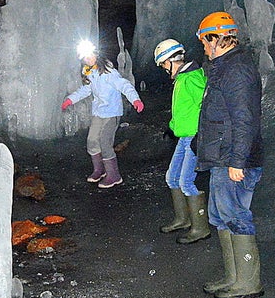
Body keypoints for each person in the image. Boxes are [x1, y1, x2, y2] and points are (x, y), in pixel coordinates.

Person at [191, 11, 264, 298]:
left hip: (233, 159)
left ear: (217, 39)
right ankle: (234, 277)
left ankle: (248, 282)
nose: (204, 48)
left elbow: (244, 119)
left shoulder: (237, 70)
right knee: (221, 216)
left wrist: (237, 161)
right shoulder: (223, 67)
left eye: (205, 42)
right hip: (222, 156)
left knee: (235, 216)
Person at [62, 39, 143, 188]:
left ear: (97, 55)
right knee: (92, 140)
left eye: (90, 56)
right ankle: (99, 170)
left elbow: (125, 86)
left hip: (112, 113)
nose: (88, 59)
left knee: (105, 142)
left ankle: (114, 175)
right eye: (85, 57)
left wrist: (135, 100)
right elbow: (86, 90)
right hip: (98, 112)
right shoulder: (90, 73)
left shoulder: (109, 72)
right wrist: (70, 100)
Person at [153, 38, 209, 244]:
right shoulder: (182, 77)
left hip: (193, 136)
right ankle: (183, 219)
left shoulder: (192, 77)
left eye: (163, 65)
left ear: (170, 60)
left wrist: (202, 133)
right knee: (172, 177)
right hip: (184, 136)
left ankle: (200, 228)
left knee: (186, 181)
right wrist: (173, 126)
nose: (163, 69)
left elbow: (207, 104)